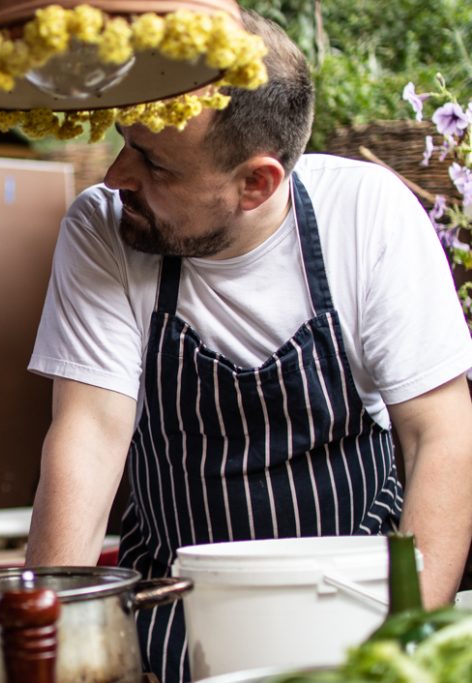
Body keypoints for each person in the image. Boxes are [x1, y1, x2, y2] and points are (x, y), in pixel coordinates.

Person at [25, 11, 472, 683]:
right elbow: (88, 440)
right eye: (126, 142)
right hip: (174, 633)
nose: (117, 175)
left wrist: (403, 655)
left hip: (353, 621)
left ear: (256, 183)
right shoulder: (104, 228)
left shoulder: (366, 215)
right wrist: (41, 650)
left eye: (155, 163)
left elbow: (442, 437)